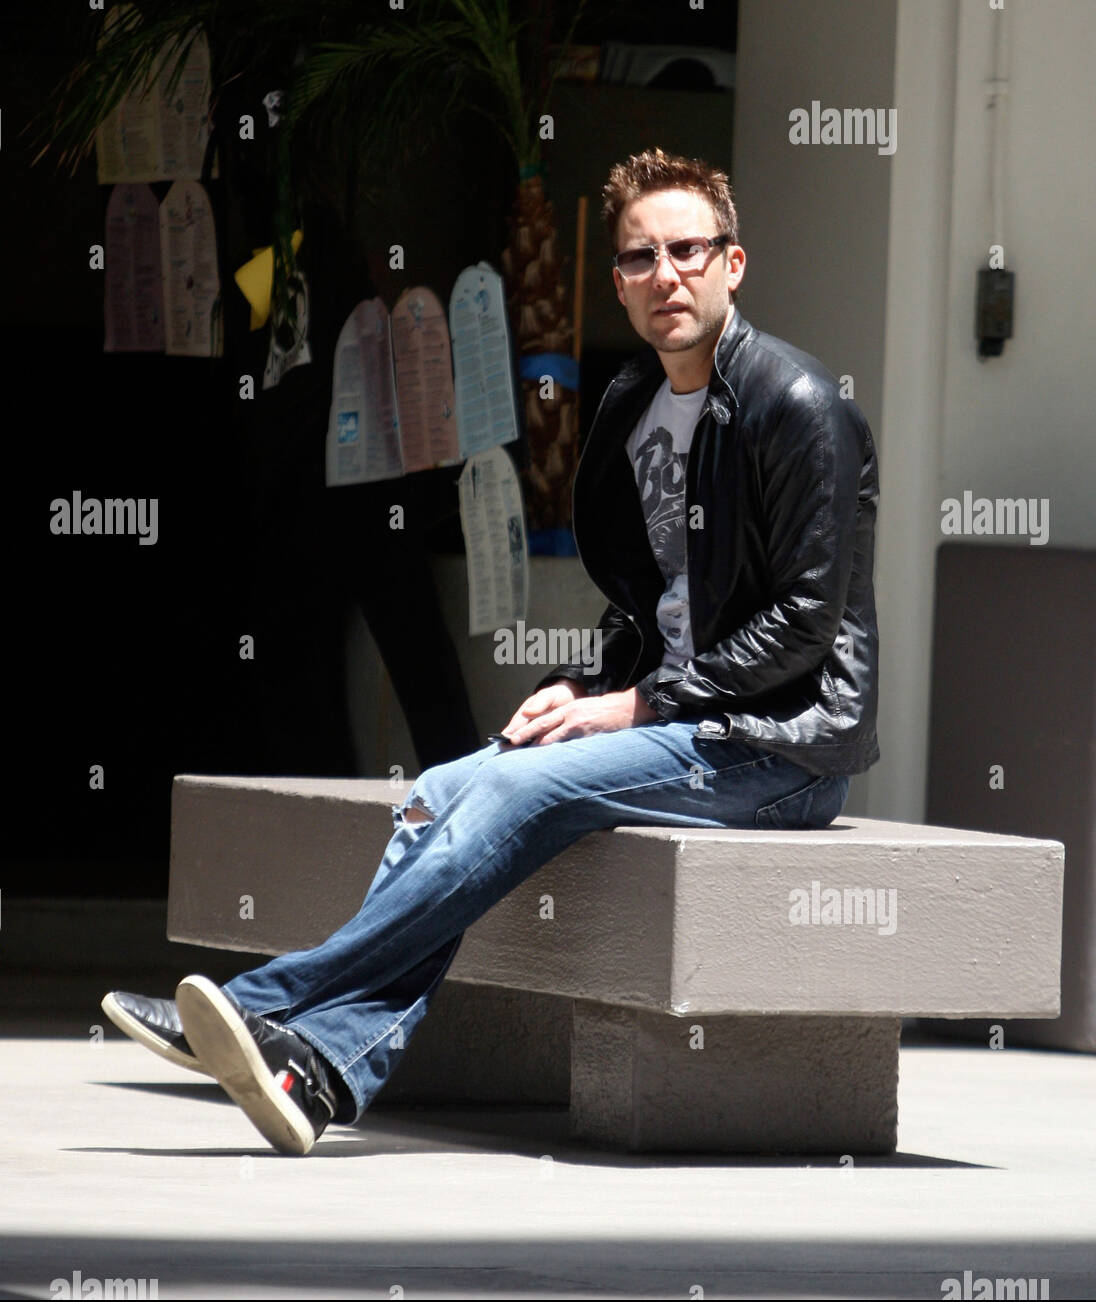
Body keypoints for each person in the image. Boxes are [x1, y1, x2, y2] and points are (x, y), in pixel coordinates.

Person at [102, 148, 880, 1157]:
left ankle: (265, 1001)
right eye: (640, 258)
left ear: (734, 263)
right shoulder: (633, 409)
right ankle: (321, 1071)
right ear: (617, 281)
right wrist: (583, 688)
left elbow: (802, 627)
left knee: (517, 795)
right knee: (437, 791)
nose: (665, 276)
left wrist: (634, 709)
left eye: (687, 251)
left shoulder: (800, 408)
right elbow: (648, 605)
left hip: (776, 747)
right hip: (676, 722)